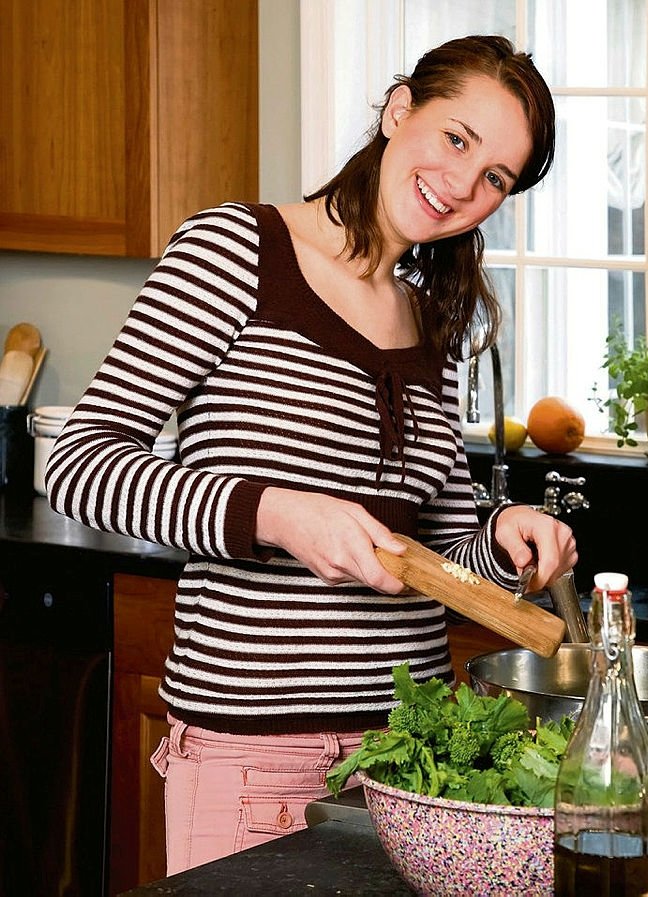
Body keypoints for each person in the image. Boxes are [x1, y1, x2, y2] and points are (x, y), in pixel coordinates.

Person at [45, 34, 574, 874]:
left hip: (409, 764)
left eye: (496, 178)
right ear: (401, 110)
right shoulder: (237, 253)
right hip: (255, 761)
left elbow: (432, 554)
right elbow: (79, 464)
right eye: (456, 138)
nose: (463, 186)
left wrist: (505, 536)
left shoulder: (432, 322)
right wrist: (277, 513)